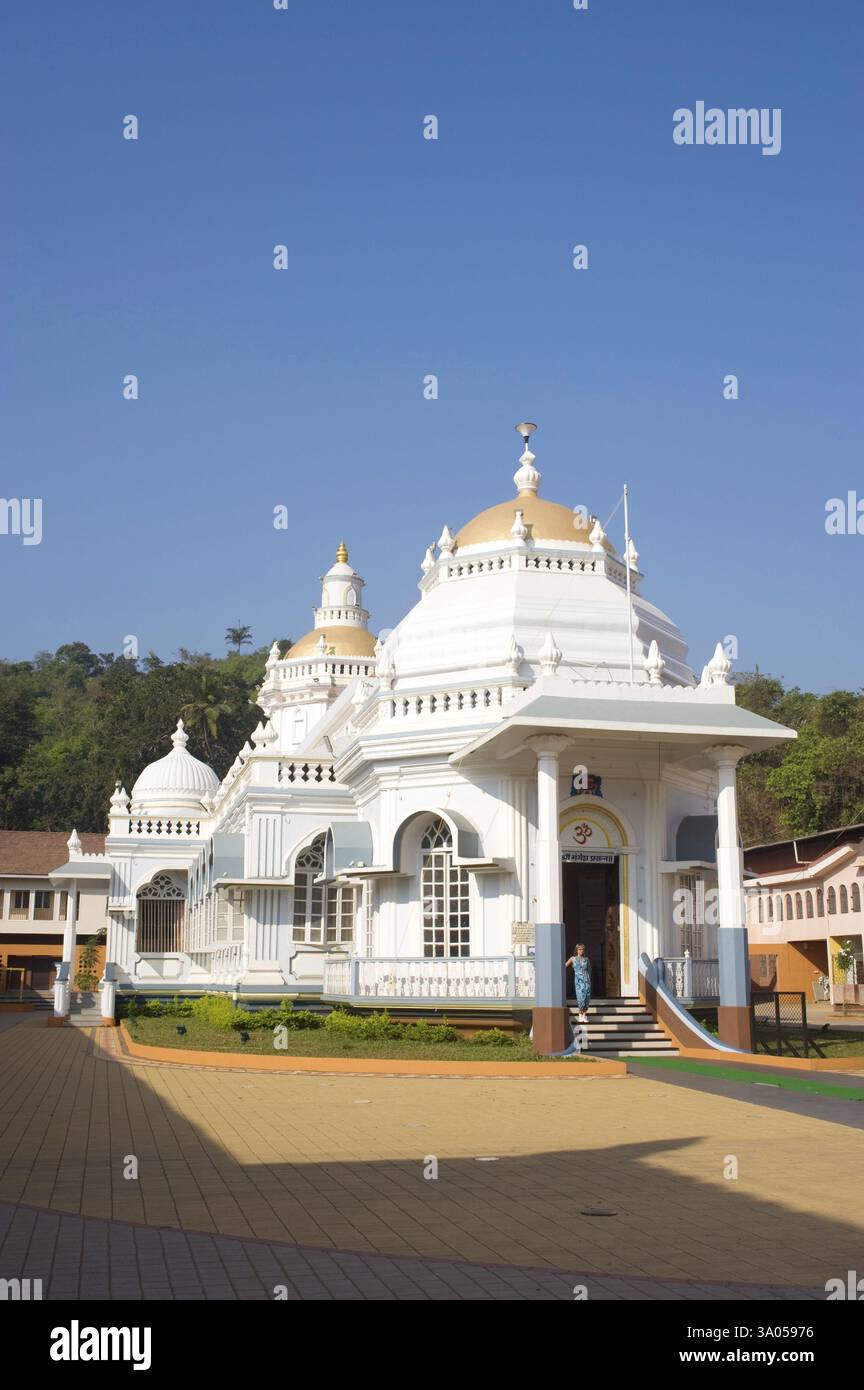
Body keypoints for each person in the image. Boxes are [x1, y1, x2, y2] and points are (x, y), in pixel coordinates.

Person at [565, 943, 591, 1023]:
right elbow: (564, 966)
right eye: (579, 949)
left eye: (582, 949)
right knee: (581, 997)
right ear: (576, 950)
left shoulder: (586, 959)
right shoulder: (573, 959)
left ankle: (584, 1015)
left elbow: (590, 969)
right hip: (579, 980)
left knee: (587, 996)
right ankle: (580, 1014)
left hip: (586, 979)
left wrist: (589, 979)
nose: (581, 951)